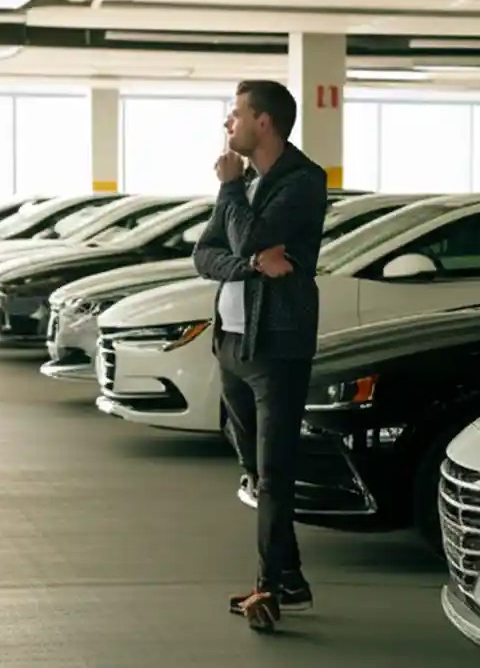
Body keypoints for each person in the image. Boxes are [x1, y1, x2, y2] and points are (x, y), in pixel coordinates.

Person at [191, 79, 329, 632]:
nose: (228, 124)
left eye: (236, 114)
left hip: (277, 345)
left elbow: (251, 236)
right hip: (233, 343)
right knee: (255, 468)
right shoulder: (245, 183)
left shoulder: (303, 182)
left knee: (274, 473)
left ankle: (270, 589)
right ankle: (289, 578)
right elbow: (205, 253)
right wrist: (249, 266)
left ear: (263, 122)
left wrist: (229, 192)